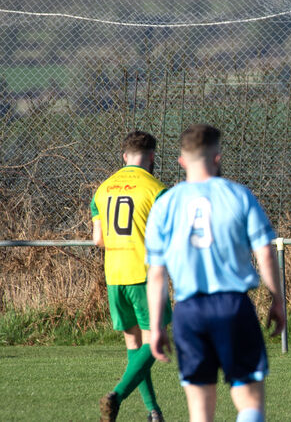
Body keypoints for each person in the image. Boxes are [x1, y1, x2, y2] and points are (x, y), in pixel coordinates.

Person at [145, 124, 285, 422]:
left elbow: (156, 273)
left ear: (181, 161)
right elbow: (264, 252)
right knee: (249, 402)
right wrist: (277, 299)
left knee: (200, 412)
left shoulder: (165, 204)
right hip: (232, 307)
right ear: (217, 157)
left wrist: (156, 326)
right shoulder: (238, 195)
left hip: (189, 311)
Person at [91, 130, 169, 422]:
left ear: (125, 156)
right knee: (154, 340)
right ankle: (117, 395)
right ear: (152, 157)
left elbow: (98, 239)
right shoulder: (156, 190)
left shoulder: (102, 189)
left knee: (135, 346)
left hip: (114, 275)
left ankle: (153, 412)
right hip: (144, 274)